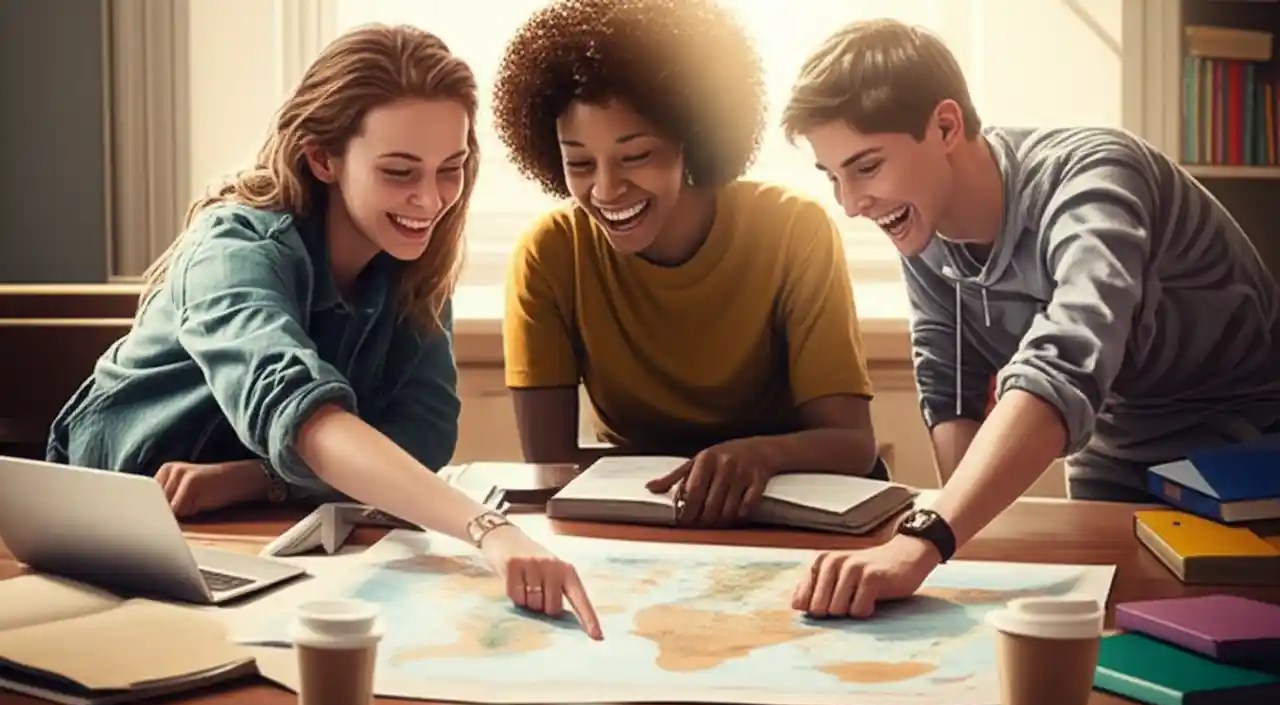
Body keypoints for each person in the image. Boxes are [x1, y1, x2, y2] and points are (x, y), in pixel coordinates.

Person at [46, 24, 601, 638]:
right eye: (399, 172)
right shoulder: (232, 249)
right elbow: (299, 413)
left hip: (262, 541)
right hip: (118, 534)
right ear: (323, 158)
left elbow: (422, 436)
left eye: (452, 167)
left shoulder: (412, 264)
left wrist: (260, 479)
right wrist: (488, 528)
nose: (430, 199)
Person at [782, 19, 1280, 618]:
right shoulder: (922, 228)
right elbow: (950, 391)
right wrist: (954, 544)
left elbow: (1066, 362)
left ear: (945, 126)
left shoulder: (1095, 176)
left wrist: (921, 539)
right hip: (1115, 461)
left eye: (865, 168)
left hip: (1247, 462)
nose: (851, 204)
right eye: (833, 177)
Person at [491, 0, 883, 529]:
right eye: (579, 162)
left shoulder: (794, 231)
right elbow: (547, 469)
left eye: (635, 156)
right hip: (644, 518)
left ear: (691, 139)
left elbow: (853, 446)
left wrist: (760, 456)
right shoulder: (551, 254)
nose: (605, 189)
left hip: (792, 514)